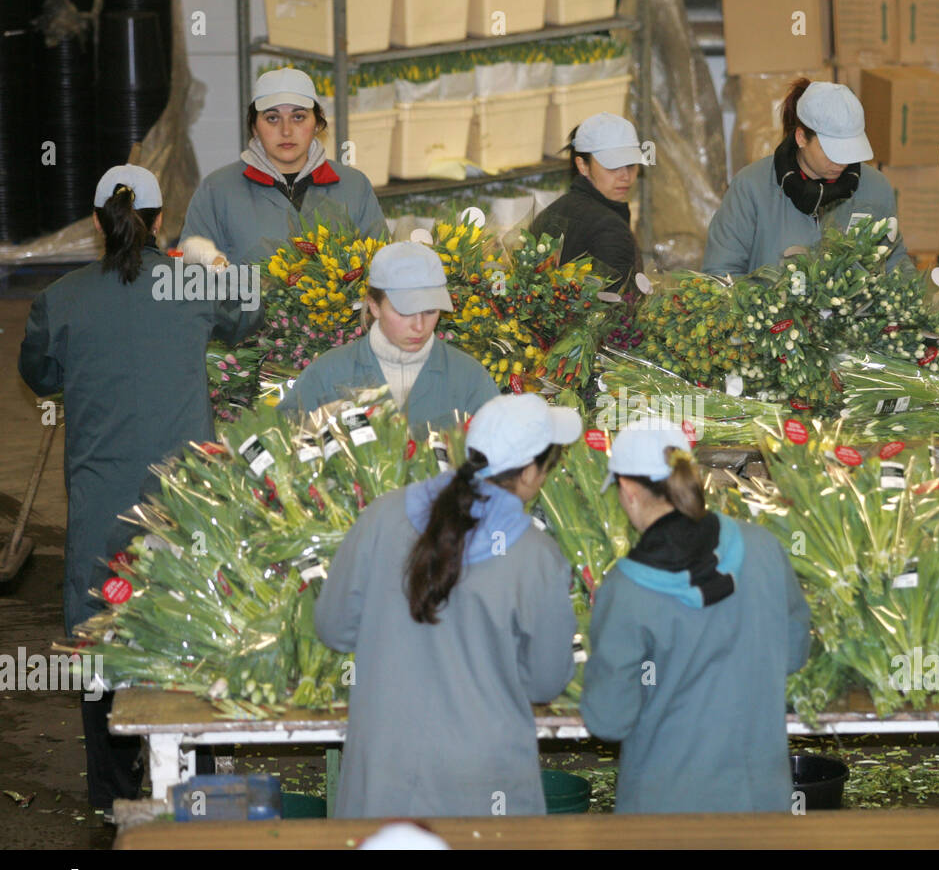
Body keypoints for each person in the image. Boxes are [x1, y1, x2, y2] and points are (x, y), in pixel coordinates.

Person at [18, 165, 261, 818]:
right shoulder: (192, 286)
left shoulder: (61, 299)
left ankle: (115, 800)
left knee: (104, 636)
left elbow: (38, 375)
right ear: (160, 220)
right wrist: (214, 263)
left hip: (102, 505)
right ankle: (199, 792)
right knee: (192, 632)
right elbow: (247, 317)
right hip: (184, 504)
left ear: (98, 222)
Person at [314, 393, 581, 817]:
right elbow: (545, 682)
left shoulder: (382, 517)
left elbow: (334, 627)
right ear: (531, 473)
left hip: (384, 778)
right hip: (483, 788)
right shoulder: (538, 556)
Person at [580, 421, 811, 812]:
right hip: (760, 805)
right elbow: (793, 655)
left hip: (663, 814)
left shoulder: (625, 588)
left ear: (629, 491)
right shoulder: (763, 548)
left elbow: (609, 720)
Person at [277, 240, 500, 432]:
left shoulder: (469, 378)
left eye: (431, 311)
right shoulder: (328, 374)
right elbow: (278, 443)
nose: (419, 326)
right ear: (374, 306)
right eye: (405, 312)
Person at [702, 79, 913, 277]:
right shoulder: (751, 188)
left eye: (849, 151)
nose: (841, 162)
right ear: (801, 137)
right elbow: (721, 272)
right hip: (773, 315)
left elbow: (895, 264)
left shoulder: (876, 188)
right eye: (831, 150)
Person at [179, 67, 386, 268]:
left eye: (298, 117)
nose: (286, 131)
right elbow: (190, 273)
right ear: (254, 127)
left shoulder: (353, 187)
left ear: (316, 123)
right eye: (272, 118)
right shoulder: (218, 191)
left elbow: (381, 269)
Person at [530, 112, 645, 292]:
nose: (625, 176)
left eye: (631, 164)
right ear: (582, 165)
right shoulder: (609, 227)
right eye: (613, 166)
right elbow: (617, 308)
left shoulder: (551, 213)